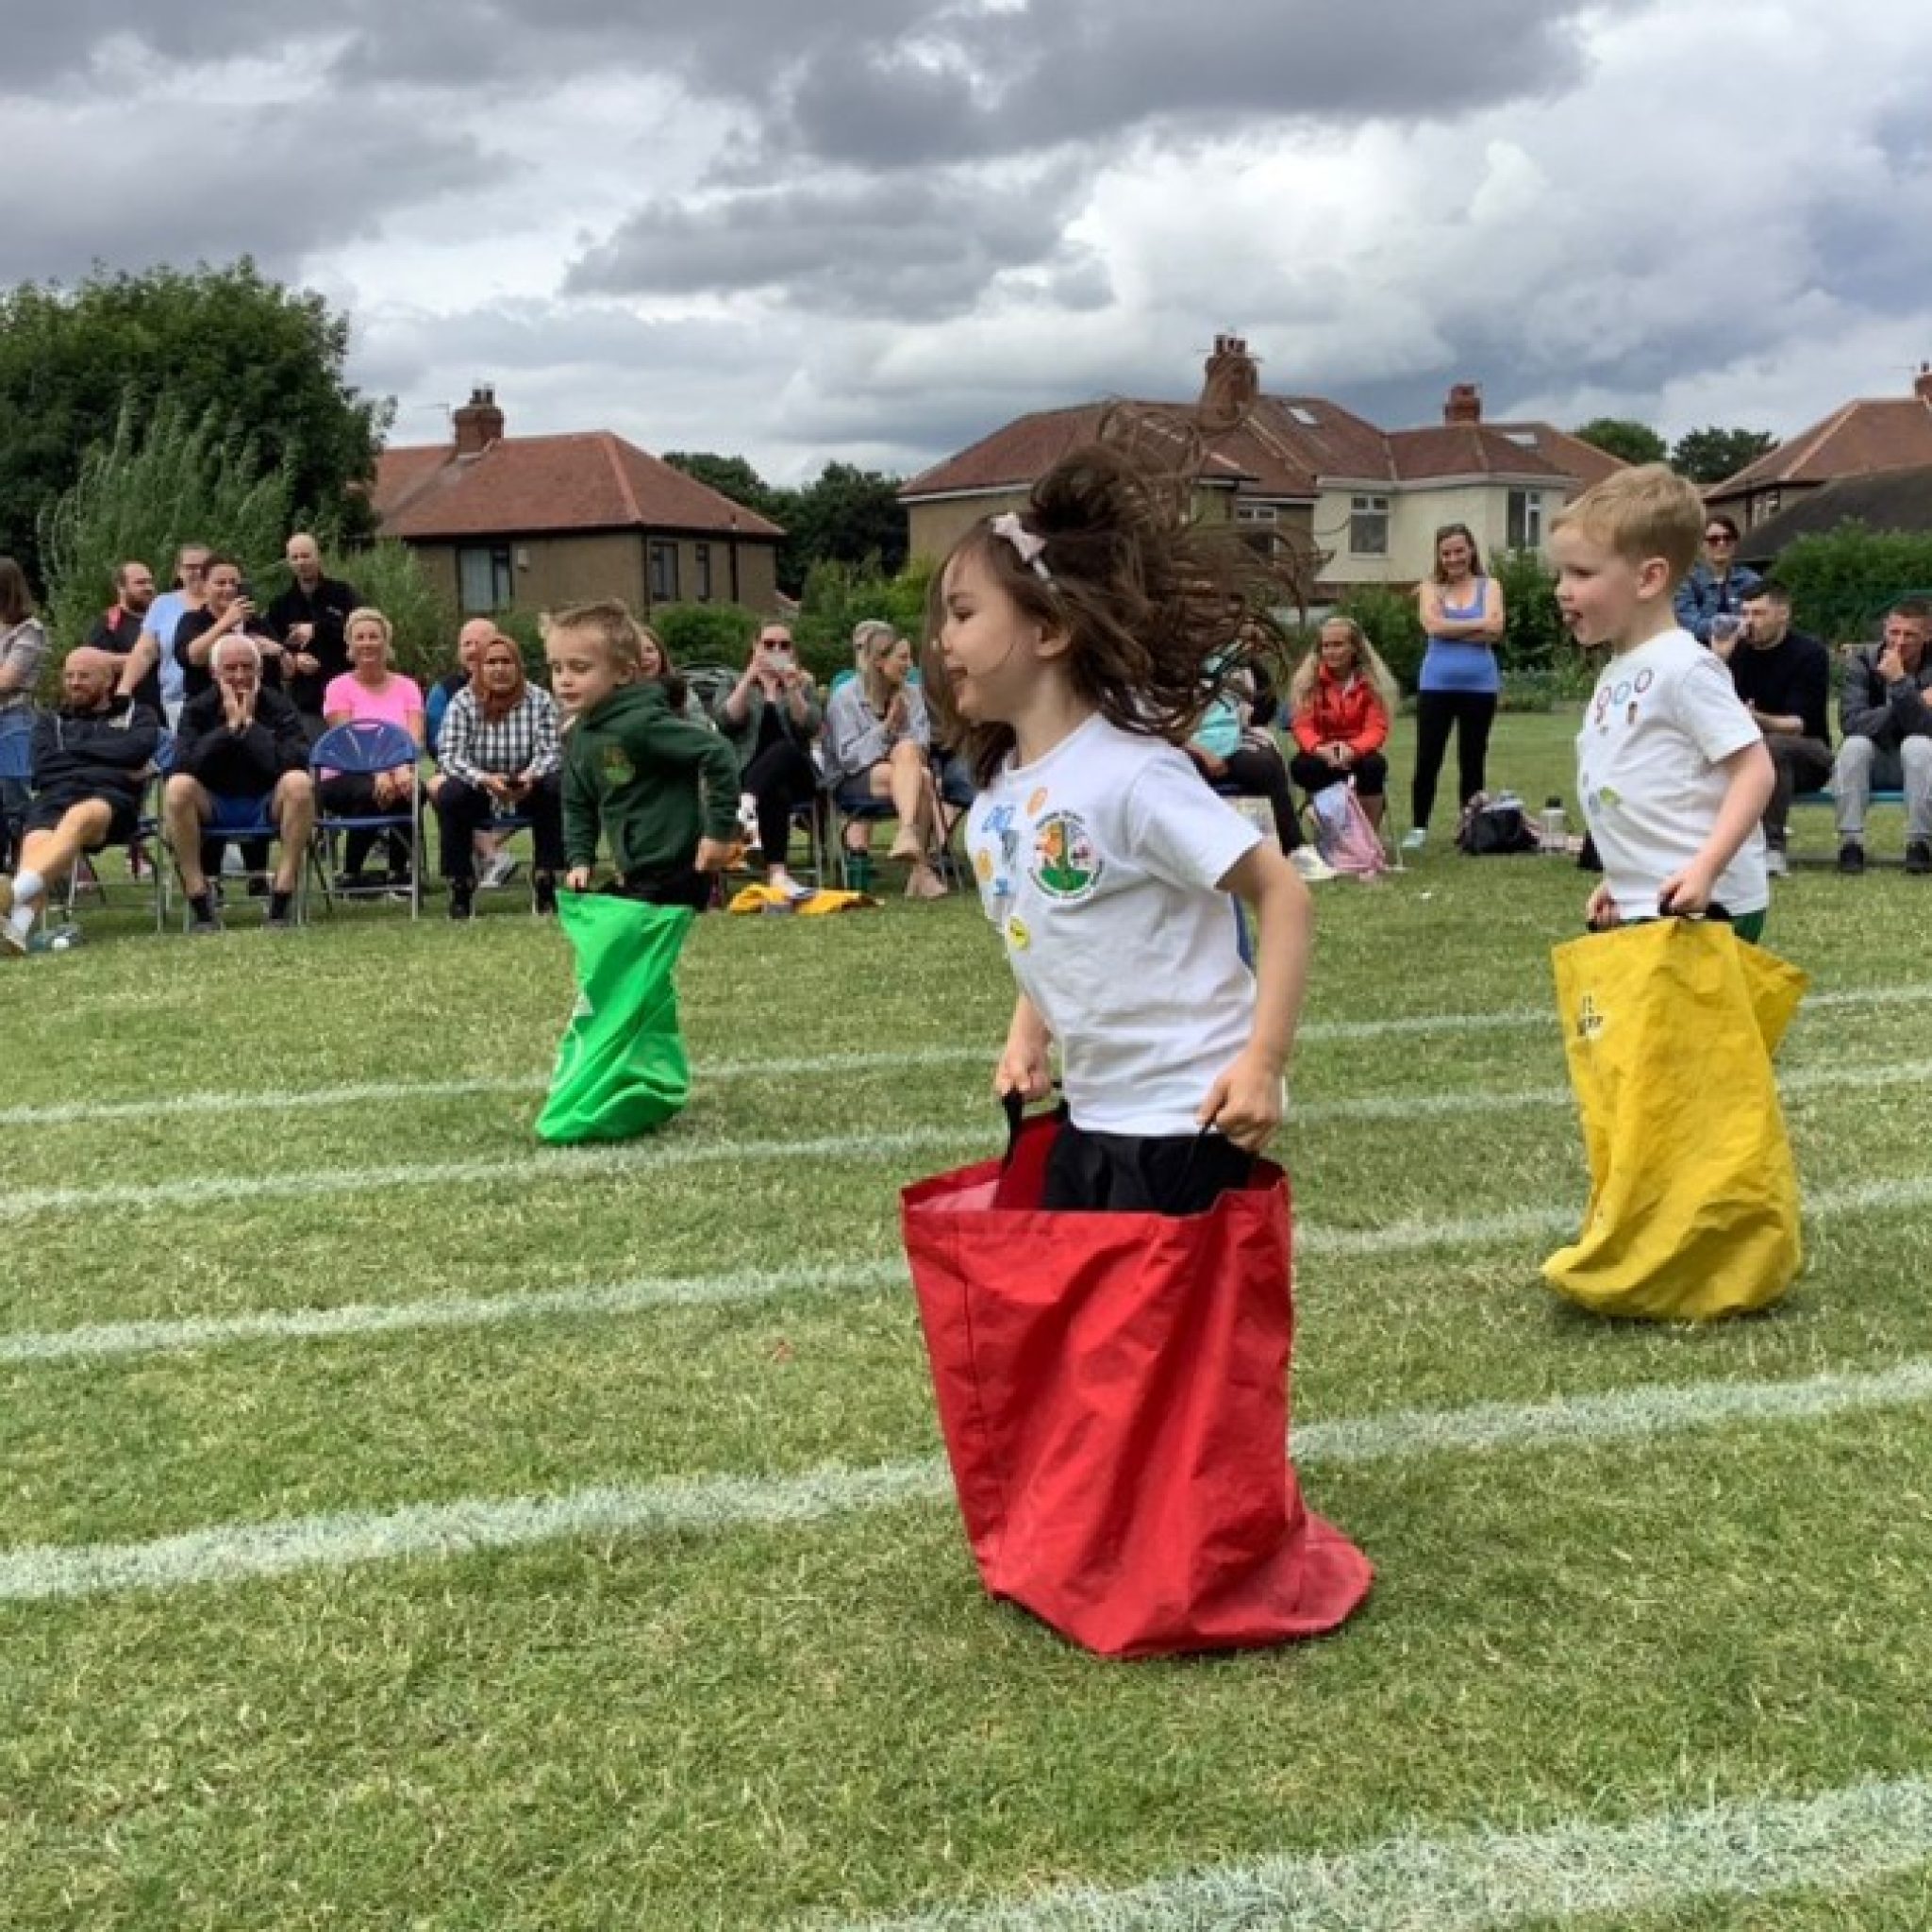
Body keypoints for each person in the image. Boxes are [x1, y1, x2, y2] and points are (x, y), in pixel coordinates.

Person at [930, 467, 1315, 1212]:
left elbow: (1284, 893)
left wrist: (1262, 1064)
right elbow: (1047, 921)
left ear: (1049, 630)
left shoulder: (1134, 778)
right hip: (1093, 1113)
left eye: (964, 612)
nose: (943, 639)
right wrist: (1028, 1035)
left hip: (1187, 1118)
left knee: (1169, 1332)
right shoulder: (994, 802)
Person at [1552, 464, 1774, 941]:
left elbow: (1755, 772)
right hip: (1649, 900)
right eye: (1562, 572)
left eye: (1582, 573)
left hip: (1706, 906)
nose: (1562, 589)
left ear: (1649, 578)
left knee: (1699, 1020)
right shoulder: (1618, 670)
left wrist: (1706, 868)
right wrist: (1621, 880)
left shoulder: (1685, 668)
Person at [549, 599, 741, 909]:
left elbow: (718, 752)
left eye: (579, 668)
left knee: (619, 936)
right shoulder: (579, 734)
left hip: (678, 867)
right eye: (556, 668)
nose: (564, 679)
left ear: (624, 673)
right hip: (638, 872)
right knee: (603, 931)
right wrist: (580, 859)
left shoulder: (642, 724)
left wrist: (717, 834)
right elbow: (576, 802)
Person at [0, 647, 160, 956]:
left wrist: (74, 753)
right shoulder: (50, 721)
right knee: (37, 843)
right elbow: (44, 766)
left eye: (84, 676)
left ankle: (12, 893)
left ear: (108, 680)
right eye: (69, 676)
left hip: (111, 798)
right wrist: (109, 754)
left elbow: (136, 750)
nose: (75, 683)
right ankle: (16, 931)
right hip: (55, 794)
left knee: (79, 817)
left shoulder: (137, 714)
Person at [164, 635, 316, 933]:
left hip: (267, 801)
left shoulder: (279, 705)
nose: (239, 676)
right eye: (230, 668)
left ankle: (282, 895)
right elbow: (185, 763)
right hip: (214, 803)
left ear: (259, 672)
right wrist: (228, 729)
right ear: (214, 673)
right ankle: (199, 897)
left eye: (247, 667)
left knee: (299, 783)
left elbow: (292, 761)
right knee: (178, 786)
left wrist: (250, 728)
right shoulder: (197, 708)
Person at [434, 632, 565, 920]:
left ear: (518, 666)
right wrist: (483, 778)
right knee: (450, 793)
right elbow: (450, 756)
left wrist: (531, 775)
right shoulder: (463, 702)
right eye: (491, 662)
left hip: (528, 787)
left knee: (556, 785)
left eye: (507, 662)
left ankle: (546, 876)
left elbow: (552, 752)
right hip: (480, 789)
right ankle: (461, 882)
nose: (499, 668)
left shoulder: (540, 700)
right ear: (479, 668)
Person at [1183, 639, 1332, 880]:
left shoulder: (1234, 659)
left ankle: (1293, 848)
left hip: (1228, 741)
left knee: (1264, 761)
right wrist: (1201, 751)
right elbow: (1154, 728)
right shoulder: (1162, 660)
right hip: (1180, 746)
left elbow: (1264, 708)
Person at [1712, 579, 1831, 877]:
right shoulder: (1736, 653)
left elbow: (1798, 725)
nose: (1749, 622)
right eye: (1746, 614)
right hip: (1749, 753)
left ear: (1783, 614)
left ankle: (1773, 849)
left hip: (1809, 755)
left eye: (1759, 614)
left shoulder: (1809, 654)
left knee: (1772, 746)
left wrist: (1754, 718)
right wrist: (1718, 660)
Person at [822, 626, 947, 898]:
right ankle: (921, 870)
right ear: (880, 661)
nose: (910, 665)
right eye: (902, 658)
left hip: (900, 777)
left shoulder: (912, 696)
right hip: (850, 781)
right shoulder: (845, 698)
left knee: (916, 763)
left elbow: (921, 746)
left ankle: (908, 837)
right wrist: (888, 727)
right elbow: (849, 758)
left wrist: (899, 742)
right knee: (922, 778)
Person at [1405, 522, 1505, 851]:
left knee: (1473, 757)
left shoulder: (1489, 586)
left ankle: (1471, 826)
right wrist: (1478, 625)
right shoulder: (1431, 587)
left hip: (1480, 685)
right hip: (1436, 684)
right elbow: (1432, 626)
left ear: (1471, 550)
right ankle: (1419, 827)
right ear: (1439, 556)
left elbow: (1497, 630)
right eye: (1446, 553)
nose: (1453, 558)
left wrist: (1452, 628)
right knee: (1428, 756)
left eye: (1459, 551)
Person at [318, 608, 425, 889]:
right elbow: (349, 741)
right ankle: (351, 873)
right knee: (370, 793)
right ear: (350, 645)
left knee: (411, 790)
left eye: (374, 636)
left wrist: (402, 767)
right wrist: (381, 770)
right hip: (345, 773)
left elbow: (412, 740)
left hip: (399, 769)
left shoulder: (407, 687)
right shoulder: (338, 687)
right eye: (360, 637)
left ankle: (399, 872)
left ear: (386, 642)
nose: (367, 643)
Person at [716, 621, 822, 897]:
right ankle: (777, 873)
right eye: (769, 644)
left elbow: (809, 726)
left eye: (784, 645)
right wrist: (749, 680)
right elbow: (726, 721)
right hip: (749, 770)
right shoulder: (734, 681)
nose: (776, 650)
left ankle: (747, 804)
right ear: (755, 647)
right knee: (775, 788)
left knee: (784, 748)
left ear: (793, 651)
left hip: (797, 771)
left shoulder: (803, 683)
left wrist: (789, 690)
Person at [1830, 597, 1932, 875]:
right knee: (1854, 746)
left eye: (1910, 634)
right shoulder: (1862, 661)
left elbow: (1927, 728)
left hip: (1923, 766)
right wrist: (1911, 699)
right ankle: (1851, 843)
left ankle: (1919, 843)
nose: (1899, 642)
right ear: (1885, 628)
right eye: (1894, 632)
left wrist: (1899, 684)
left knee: (1919, 745)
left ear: (1928, 634)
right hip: (1874, 762)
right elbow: (1852, 723)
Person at [1286, 616, 1397, 830]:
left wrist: (1352, 750)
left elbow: (1376, 727)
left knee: (1374, 766)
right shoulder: (1307, 682)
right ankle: (1334, 833)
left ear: (1355, 648)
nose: (1331, 651)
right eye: (1326, 646)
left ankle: (1367, 838)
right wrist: (1322, 750)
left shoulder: (1372, 683)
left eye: (1338, 645)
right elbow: (1302, 726)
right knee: (1303, 767)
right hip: (1321, 751)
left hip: (1357, 750)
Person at [265, 531, 360, 731]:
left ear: (318, 556)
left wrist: (317, 629)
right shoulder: (280, 605)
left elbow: (359, 630)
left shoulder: (343, 594)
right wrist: (293, 659)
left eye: (306, 555)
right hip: (306, 700)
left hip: (347, 694)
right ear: (289, 562)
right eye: (295, 557)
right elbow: (269, 645)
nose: (301, 562)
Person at [173, 555, 286, 704]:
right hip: (209, 713)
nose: (228, 589)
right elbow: (193, 658)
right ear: (205, 586)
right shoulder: (192, 621)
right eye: (220, 583)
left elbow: (288, 672)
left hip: (262, 712)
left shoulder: (258, 624)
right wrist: (226, 621)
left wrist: (279, 651)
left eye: (234, 583)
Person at [0, 557, 50, 875]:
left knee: (13, 795)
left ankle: (27, 864)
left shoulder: (28, 631)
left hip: (13, 721)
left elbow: (7, 680)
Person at [135, 541, 208, 724]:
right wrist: (124, 689)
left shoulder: (227, 602)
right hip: (177, 699)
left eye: (203, 567)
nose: (197, 572)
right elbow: (145, 652)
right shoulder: (162, 604)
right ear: (179, 571)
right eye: (190, 567)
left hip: (223, 693)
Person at [86, 560, 165, 715]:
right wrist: (143, 658)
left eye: (150, 582)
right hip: (131, 709)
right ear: (121, 587)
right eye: (140, 583)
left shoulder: (164, 618)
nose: (148, 588)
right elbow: (96, 662)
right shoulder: (109, 622)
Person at [1674, 512, 1763, 646]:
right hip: (1702, 659)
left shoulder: (1750, 580)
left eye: (1727, 538)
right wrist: (1739, 624)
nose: (1721, 543)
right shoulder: (1686, 583)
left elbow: (1763, 618)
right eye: (1713, 540)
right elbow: (1692, 626)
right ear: (1700, 545)